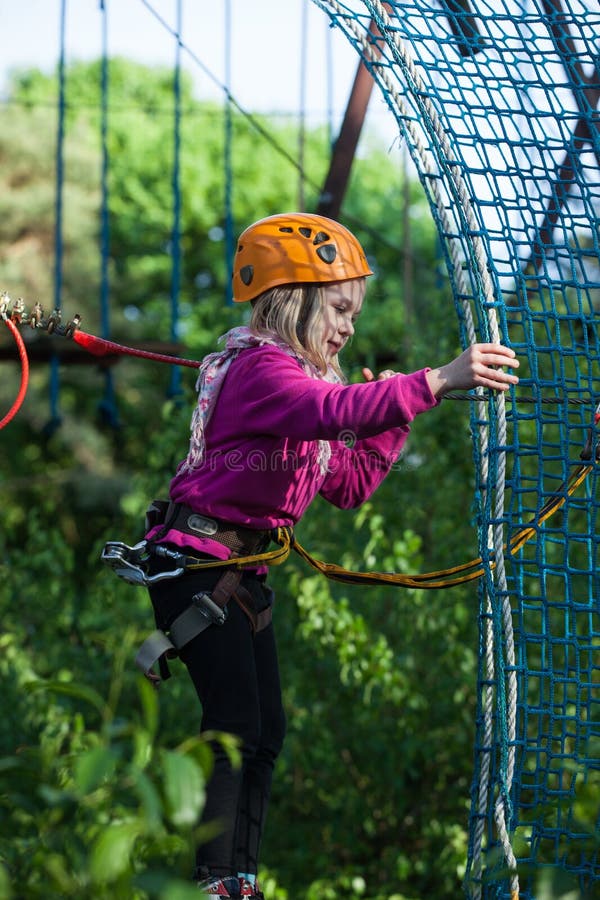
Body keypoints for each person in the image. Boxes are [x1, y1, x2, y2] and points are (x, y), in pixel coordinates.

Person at [142, 212, 519, 898]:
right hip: (196, 563)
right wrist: (434, 380)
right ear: (298, 300)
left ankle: (240, 877)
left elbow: (345, 485)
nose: (348, 326)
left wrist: (396, 413)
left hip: (238, 572)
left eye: (354, 313)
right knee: (233, 724)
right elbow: (329, 411)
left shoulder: (306, 390)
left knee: (267, 730)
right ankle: (213, 881)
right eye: (339, 308)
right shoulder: (261, 371)